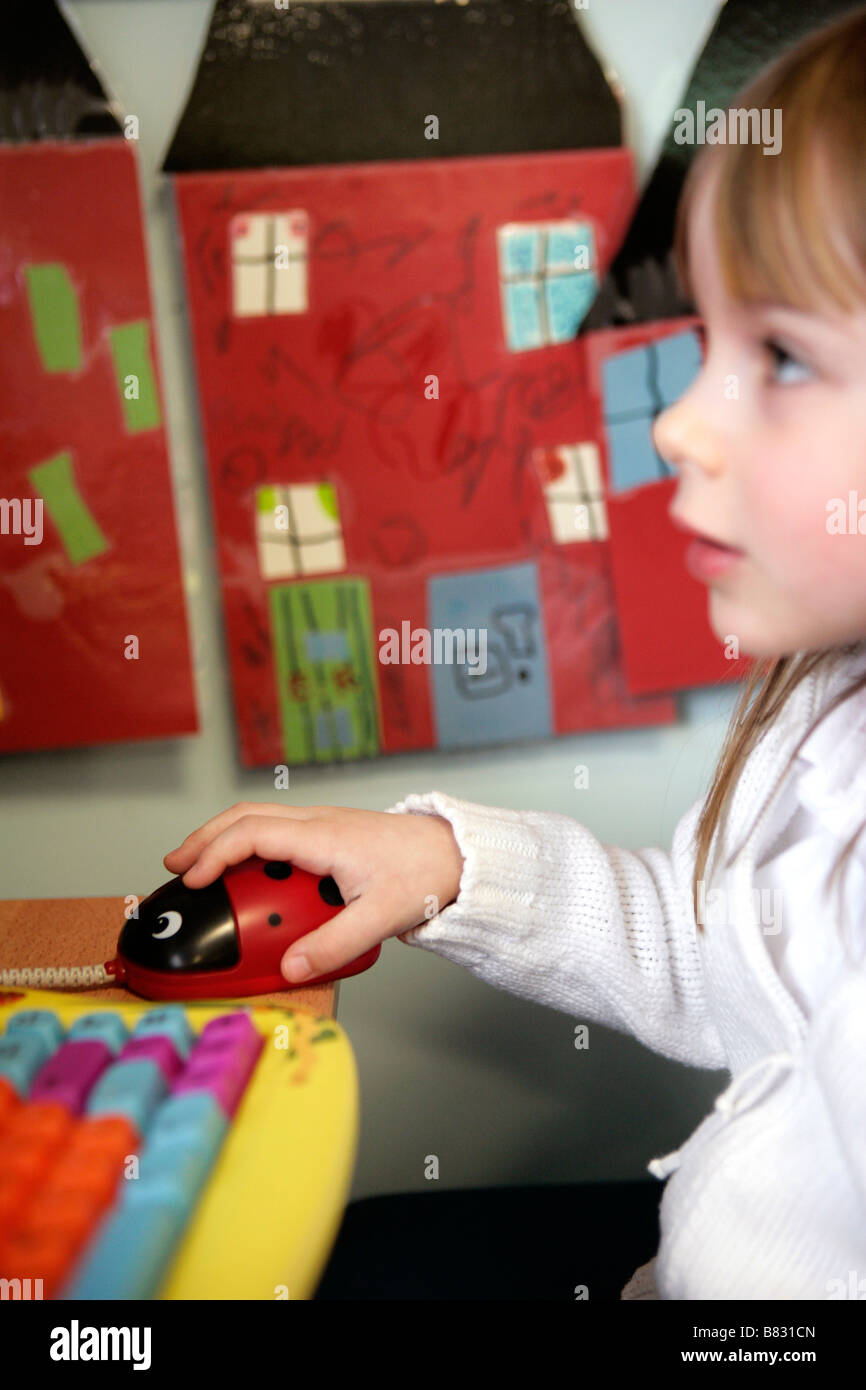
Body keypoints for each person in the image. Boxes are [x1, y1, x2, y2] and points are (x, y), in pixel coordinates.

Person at [164, 8, 866, 1299]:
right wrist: (444, 867)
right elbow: (725, 960)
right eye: (699, 341)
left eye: (777, 356)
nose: (678, 429)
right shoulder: (827, 691)